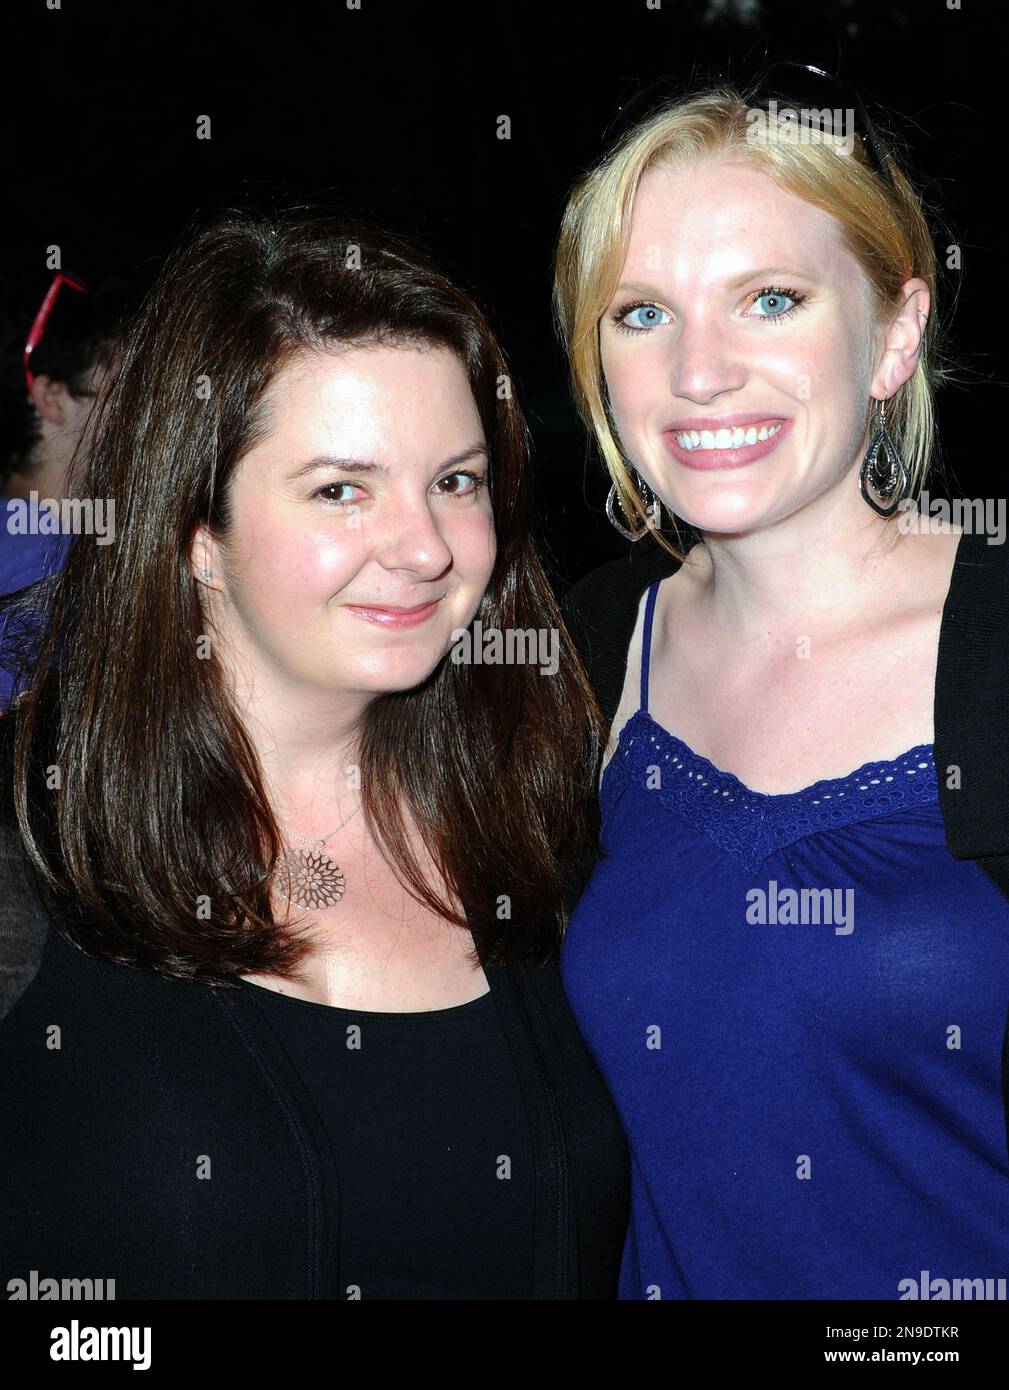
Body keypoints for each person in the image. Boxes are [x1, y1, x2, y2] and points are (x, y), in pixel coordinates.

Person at [0, 206, 629, 1299]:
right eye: (342, 488)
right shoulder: (29, 849)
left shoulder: (551, 815)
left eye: (456, 480)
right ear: (198, 533)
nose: (426, 546)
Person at [553, 64, 1009, 1300]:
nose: (698, 372)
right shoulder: (588, 652)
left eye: (769, 298)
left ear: (895, 332)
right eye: (641, 312)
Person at [0, 268, 129, 708]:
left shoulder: (51, 537)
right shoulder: (38, 561)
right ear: (52, 397)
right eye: (118, 383)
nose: (138, 405)